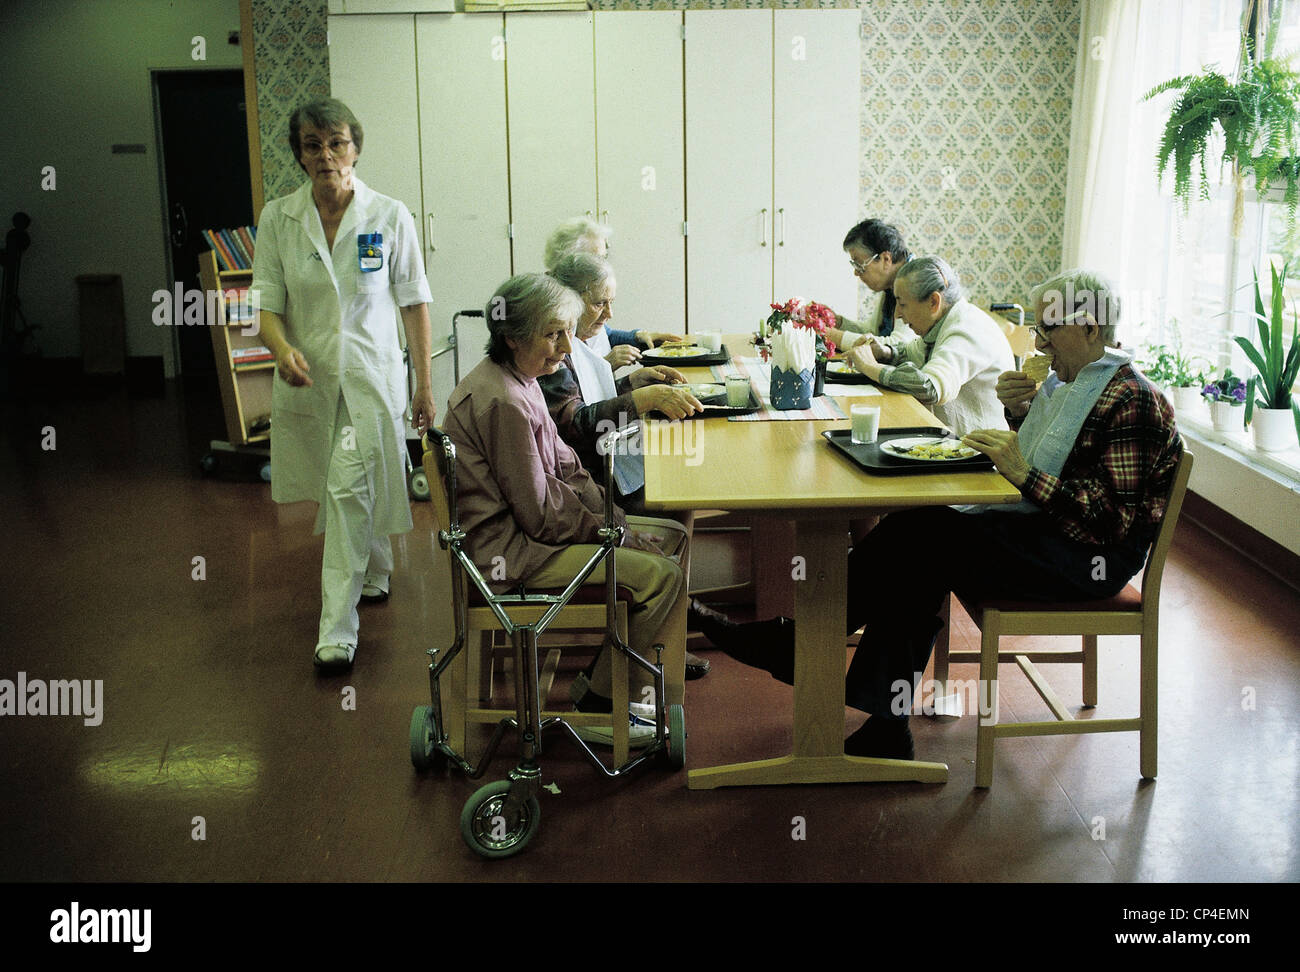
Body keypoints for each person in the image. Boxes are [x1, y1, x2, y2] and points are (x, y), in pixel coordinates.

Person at [714, 268, 1184, 761]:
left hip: (1090, 561)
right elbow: (1060, 459)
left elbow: (1111, 521)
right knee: (922, 536)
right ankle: (878, 718)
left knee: (926, 532)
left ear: (1090, 328)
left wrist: (1023, 473)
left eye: (1049, 329)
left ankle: (803, 644)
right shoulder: (1073, 382)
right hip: (1049, 532)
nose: (1040, 343)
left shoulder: (1131, 398)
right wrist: (1021, 417)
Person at [442, 272, 690, 746]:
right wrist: (609, 532)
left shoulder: (523, 379)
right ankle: (603, 704)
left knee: (672, 538)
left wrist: (612, 521)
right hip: (511, 554)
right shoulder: (505, 401)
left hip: (526, 534)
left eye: (569, 332)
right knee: (663, 576)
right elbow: (539, 511)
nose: (567, 347)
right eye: (553, 334)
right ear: (512, 337)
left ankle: (621, 685)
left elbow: (568, 467)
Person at [252, 97, 433, 671]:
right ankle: (377, 568)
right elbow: (266, 306)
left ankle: (336, 629)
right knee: (345, 480)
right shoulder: (278, 218)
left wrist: (425, 384)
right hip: (309, 380)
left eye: (337, 143)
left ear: (355, 147)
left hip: (372, 377)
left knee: (347, 488)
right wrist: (281, 351)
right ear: (300, 155)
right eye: (313, 145)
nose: (326, 155)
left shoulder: (389, 214)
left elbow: (414, 304)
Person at [540, 252, 725, 679]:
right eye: (599, 302)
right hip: (579, 485)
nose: (608, 314)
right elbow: (577, 422)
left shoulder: (571, 338)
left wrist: (631, 383)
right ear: (569, 298)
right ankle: (664, 636)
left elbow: (584, 400)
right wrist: (640, 400)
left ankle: (668, 627)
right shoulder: (552, 347)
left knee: (680, 488)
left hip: (588, 470)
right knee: (678, 497)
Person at [845, 256, 1014, 436]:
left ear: (934, 302)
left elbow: (930, 388)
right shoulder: (944, 321)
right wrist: (886, 352)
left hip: (977, 454)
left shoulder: (967, 328)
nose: (898, 314)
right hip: (951, 443)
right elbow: (913, 351)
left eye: (902, 304)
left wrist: (870, 366)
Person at [542, 216, 681, 369]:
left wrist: (637, 337)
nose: (604, 267)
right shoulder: (555, 314)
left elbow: (603, 335)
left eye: (604, 258)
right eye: (596, 260)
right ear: (569, 264)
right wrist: (606, 365)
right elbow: (571, 386)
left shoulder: (586, 305)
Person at [825, 218, 916, 353]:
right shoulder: (892, 284)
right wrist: (838, 322)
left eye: (859, 265)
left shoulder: (915, 281)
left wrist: (831, 335)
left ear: (886, 259)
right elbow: (873, 332)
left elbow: (898, 346)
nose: (856, 272)